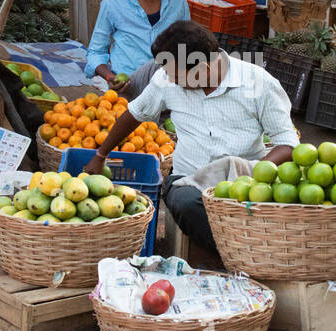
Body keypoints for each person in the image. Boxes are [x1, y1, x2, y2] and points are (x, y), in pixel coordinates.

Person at [82, 21, 298, 253]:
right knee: (184, 203)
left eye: (175, 74)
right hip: (190, 179)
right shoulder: (166, 79)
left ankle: (242, 252)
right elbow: (134, 114)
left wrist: (253, 178)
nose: (169, 78)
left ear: (203, 70)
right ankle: (238, 254)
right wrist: (100, 154)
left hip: (246, 181)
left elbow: (287, 144)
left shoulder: (259, 83)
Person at [84, 0, 190, 98]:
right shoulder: (113, 3)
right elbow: (95, 51)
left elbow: (185, 46)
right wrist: (109, 77)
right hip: (126, 88)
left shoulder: (178, 2)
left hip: (167, 88)